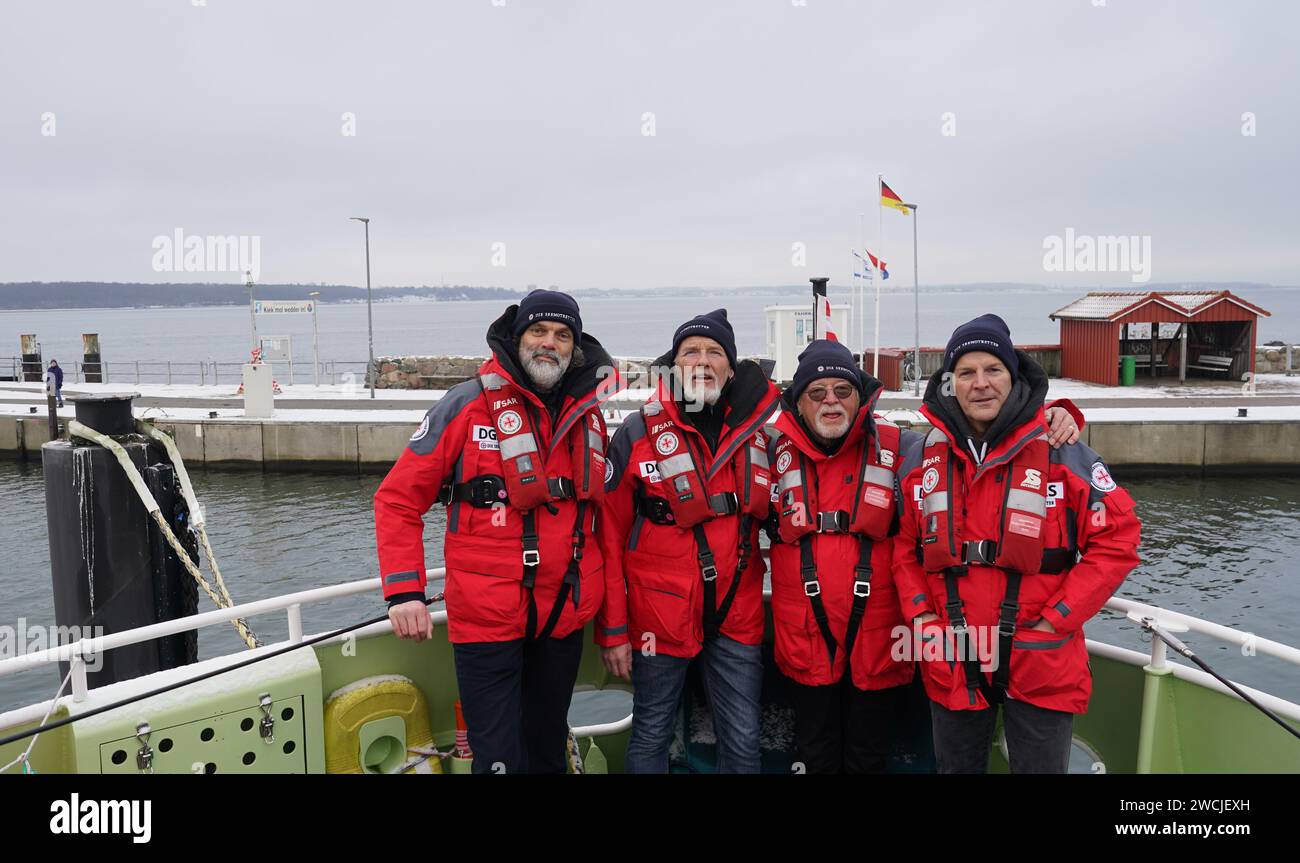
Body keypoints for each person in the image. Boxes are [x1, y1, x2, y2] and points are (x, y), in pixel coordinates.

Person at [767, 339, 1081, 773]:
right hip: (804, 637)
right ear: (798, 402)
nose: (831, 402)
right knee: (815, 750)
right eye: (817, 393)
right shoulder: (767, 455)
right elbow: (718, 445)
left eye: (842, 390)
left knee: (869, 754)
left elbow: (974, 444)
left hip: (879, 637)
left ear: (861, 397)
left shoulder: (906, 449)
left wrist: (1051, 414)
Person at [373, 290, 622, 774]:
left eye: (562, 335)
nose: (549, 343)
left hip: (562, 618)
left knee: (548, 747)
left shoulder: (589, 417)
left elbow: (603, 527)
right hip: (487, 621)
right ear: (517, 337)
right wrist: (405, 592)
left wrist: (612, 624)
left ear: (575, 348)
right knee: (498, 759)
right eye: (538, 331)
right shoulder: (465, 407)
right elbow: (398, 499)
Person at [894, 314, 1141, 774]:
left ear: (1014, 376)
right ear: (950, 384)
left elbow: (1118, 538)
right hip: (952, 658)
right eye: (966, 373)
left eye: (993, 370)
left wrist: (1057, 619)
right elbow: (905, 549)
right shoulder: (923, 459)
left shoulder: (1062, 453)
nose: (981, 384)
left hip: (1041, 661)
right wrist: (922, 617)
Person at [597, 309, 780, 773]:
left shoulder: (762, 438)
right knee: (652, 730)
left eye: (714, 352)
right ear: (673, 366)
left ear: (731, 368)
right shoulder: (637, 433)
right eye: (690, 351)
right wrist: (613, 630)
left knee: (743, 737)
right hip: (657, 613)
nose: (702, 360)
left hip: (737, 613)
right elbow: (608, 538)